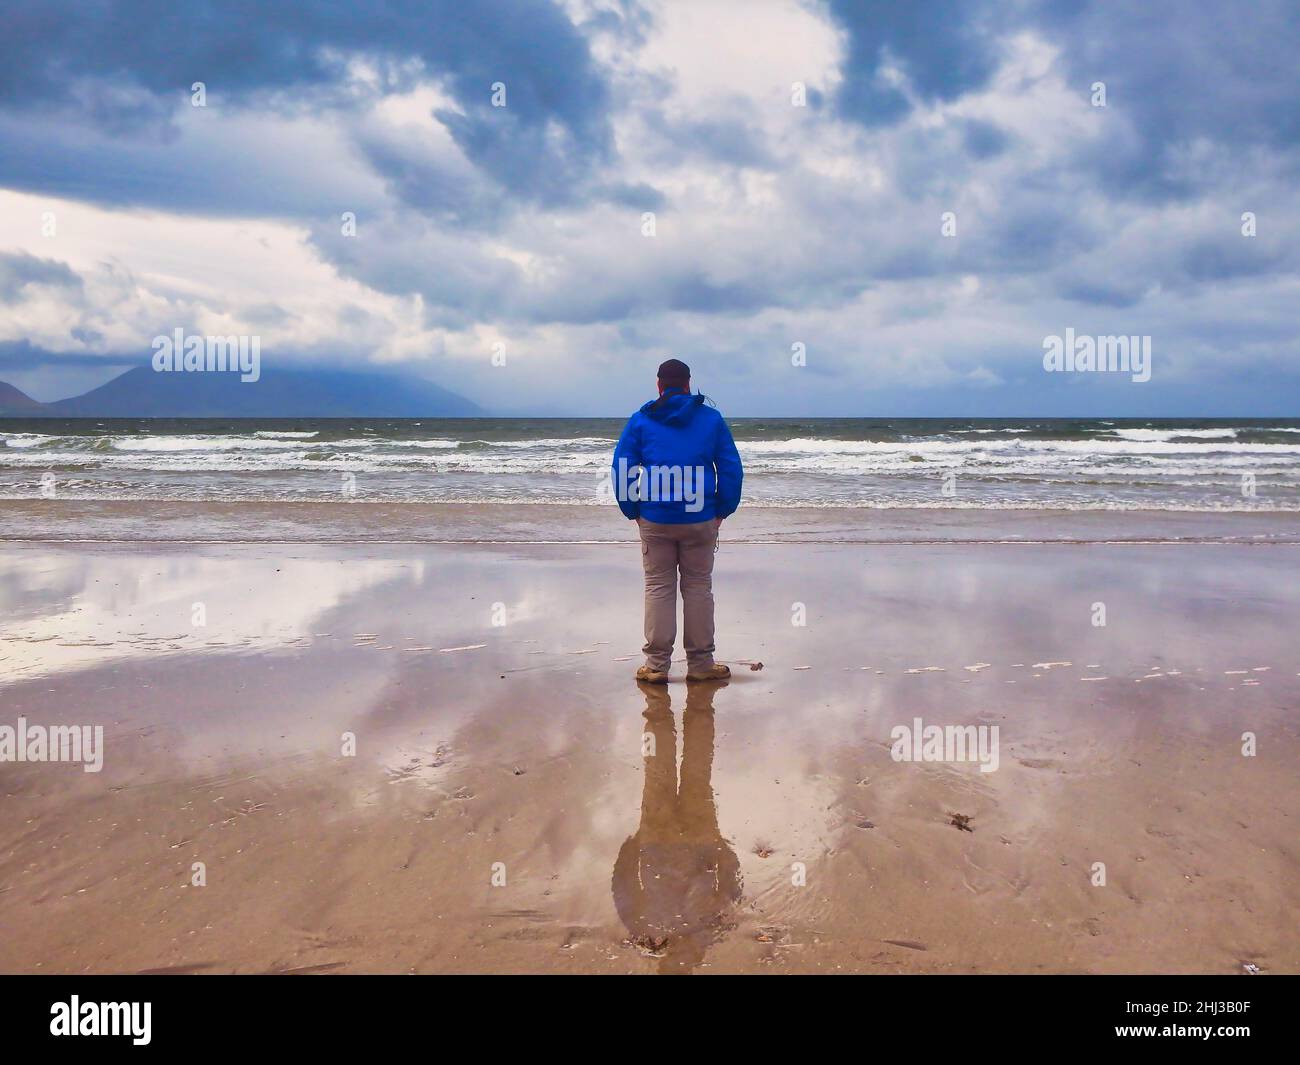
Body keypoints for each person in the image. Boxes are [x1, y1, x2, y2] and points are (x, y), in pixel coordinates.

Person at [611, 358, 743, 683]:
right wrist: (722, 510)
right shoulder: (711, 420)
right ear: (687, 384)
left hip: (655, 517)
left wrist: (632, 509)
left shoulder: (642, 420)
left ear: (659, 385)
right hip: (700, 518)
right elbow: (730, 468)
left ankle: (656, 666)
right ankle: (701, 665)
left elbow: (623, 467)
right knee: (698, 587)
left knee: (658, 587)